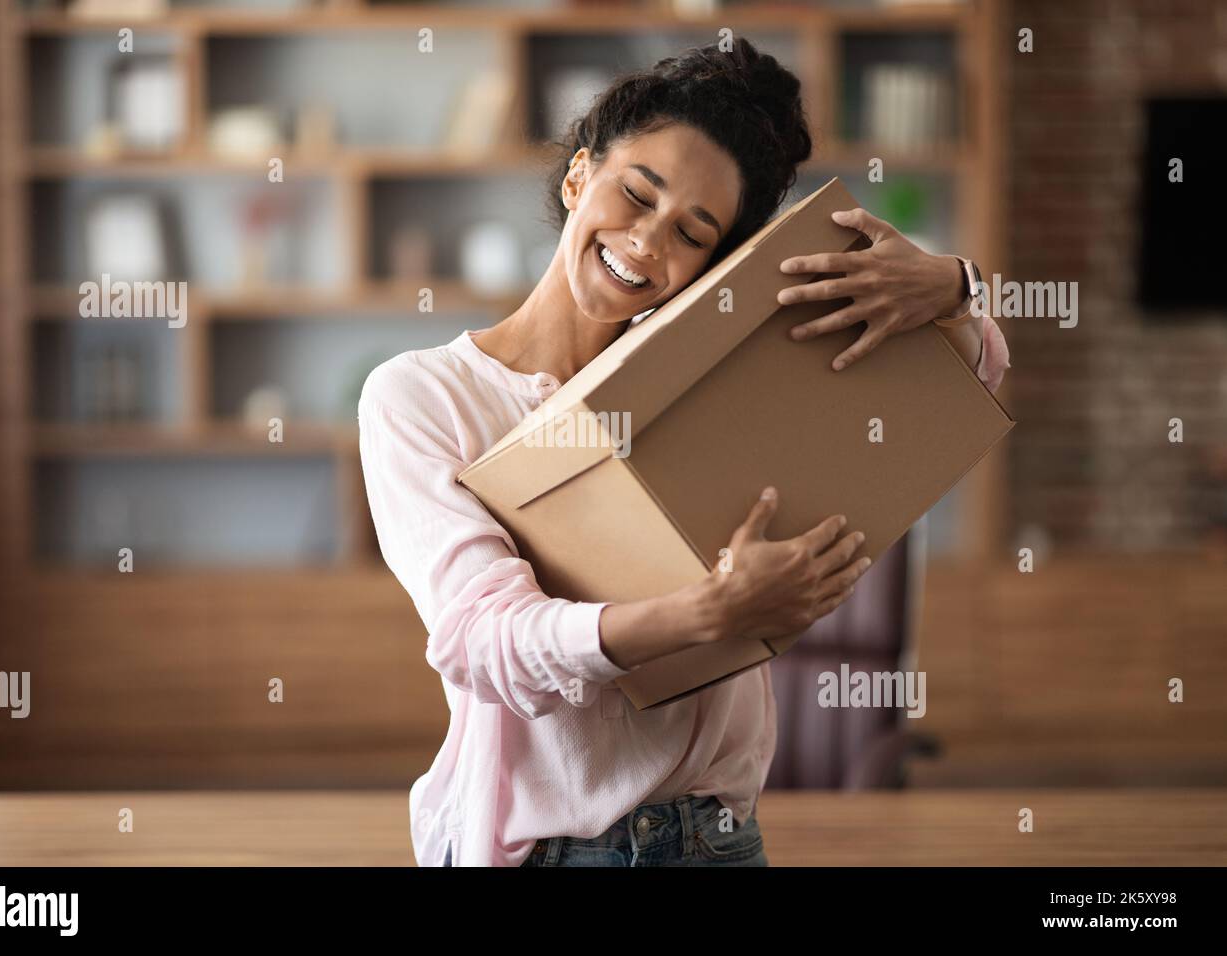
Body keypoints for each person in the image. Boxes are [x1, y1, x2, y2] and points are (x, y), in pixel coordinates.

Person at [357, 38, 1010, 867]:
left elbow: (967, 378)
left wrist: (955, 286)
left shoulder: (716, 385)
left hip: (717, 839)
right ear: (577, 176)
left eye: (692, 233)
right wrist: (709, 614)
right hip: (548, 849)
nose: (646, 241)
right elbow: (489, 643)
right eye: (636, 193)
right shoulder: (424, 396)